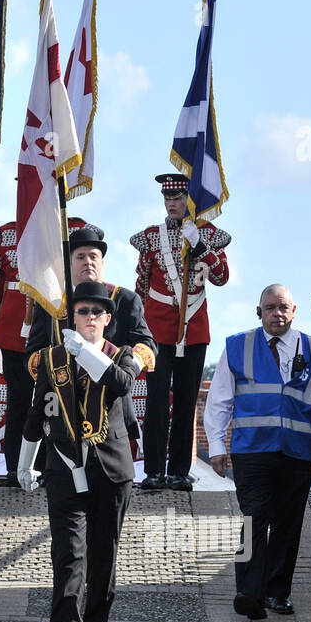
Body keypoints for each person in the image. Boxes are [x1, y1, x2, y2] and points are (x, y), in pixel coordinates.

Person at [18, 281, 141, 622]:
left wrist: (85, 352)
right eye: (82, 311)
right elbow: (37, 414)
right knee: (68, 553)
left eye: (96, 312)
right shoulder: (52, 359)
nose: (89, 318)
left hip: (110, 471)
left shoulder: (119, 355)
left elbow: (121, 384)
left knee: (104, 555)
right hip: (64, 468)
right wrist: (25, 461)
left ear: (107, 319)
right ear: (72, 317)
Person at [202, 284, 311, 621]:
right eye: (270, 308)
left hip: (299, 450)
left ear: (293, 311)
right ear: (259, 312)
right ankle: (249, 593)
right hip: (252, 450)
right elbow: (219, 400)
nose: (276, 313)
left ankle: (277, 593)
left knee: (288, 523)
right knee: (254, 518)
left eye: (283, 308)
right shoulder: (237, 347)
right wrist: (217, 447)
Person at [130, 173, 231, 492]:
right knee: (157, 402)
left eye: (177, 198)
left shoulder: (210, 236)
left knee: (187, 403)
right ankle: (154, 470)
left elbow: (221, 277)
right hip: (158, 328)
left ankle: (179, 471)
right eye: (167, 198)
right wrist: (137, 330)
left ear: (191, 200)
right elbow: (141, 285)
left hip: (195, 328)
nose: (171, 203)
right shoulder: (150, 237)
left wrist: (200, 246)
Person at [0, 216, 101, 485]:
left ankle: (52, 466)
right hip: (15, 326)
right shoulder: (3, 234)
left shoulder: (75, 227)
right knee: (20, 402)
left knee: (58, 400)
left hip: (57, 321)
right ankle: (15, 467)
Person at [25, 227, 156, 446]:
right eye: (80, 256)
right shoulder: (50, 303)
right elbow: (32, 355)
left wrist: (126, 369)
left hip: (110, 408)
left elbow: (147, 344)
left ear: (102, 263)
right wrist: (53, 364)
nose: (88, 262)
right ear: (69, 263)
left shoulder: (124, 299)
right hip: (61, 410)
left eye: (94, 256)